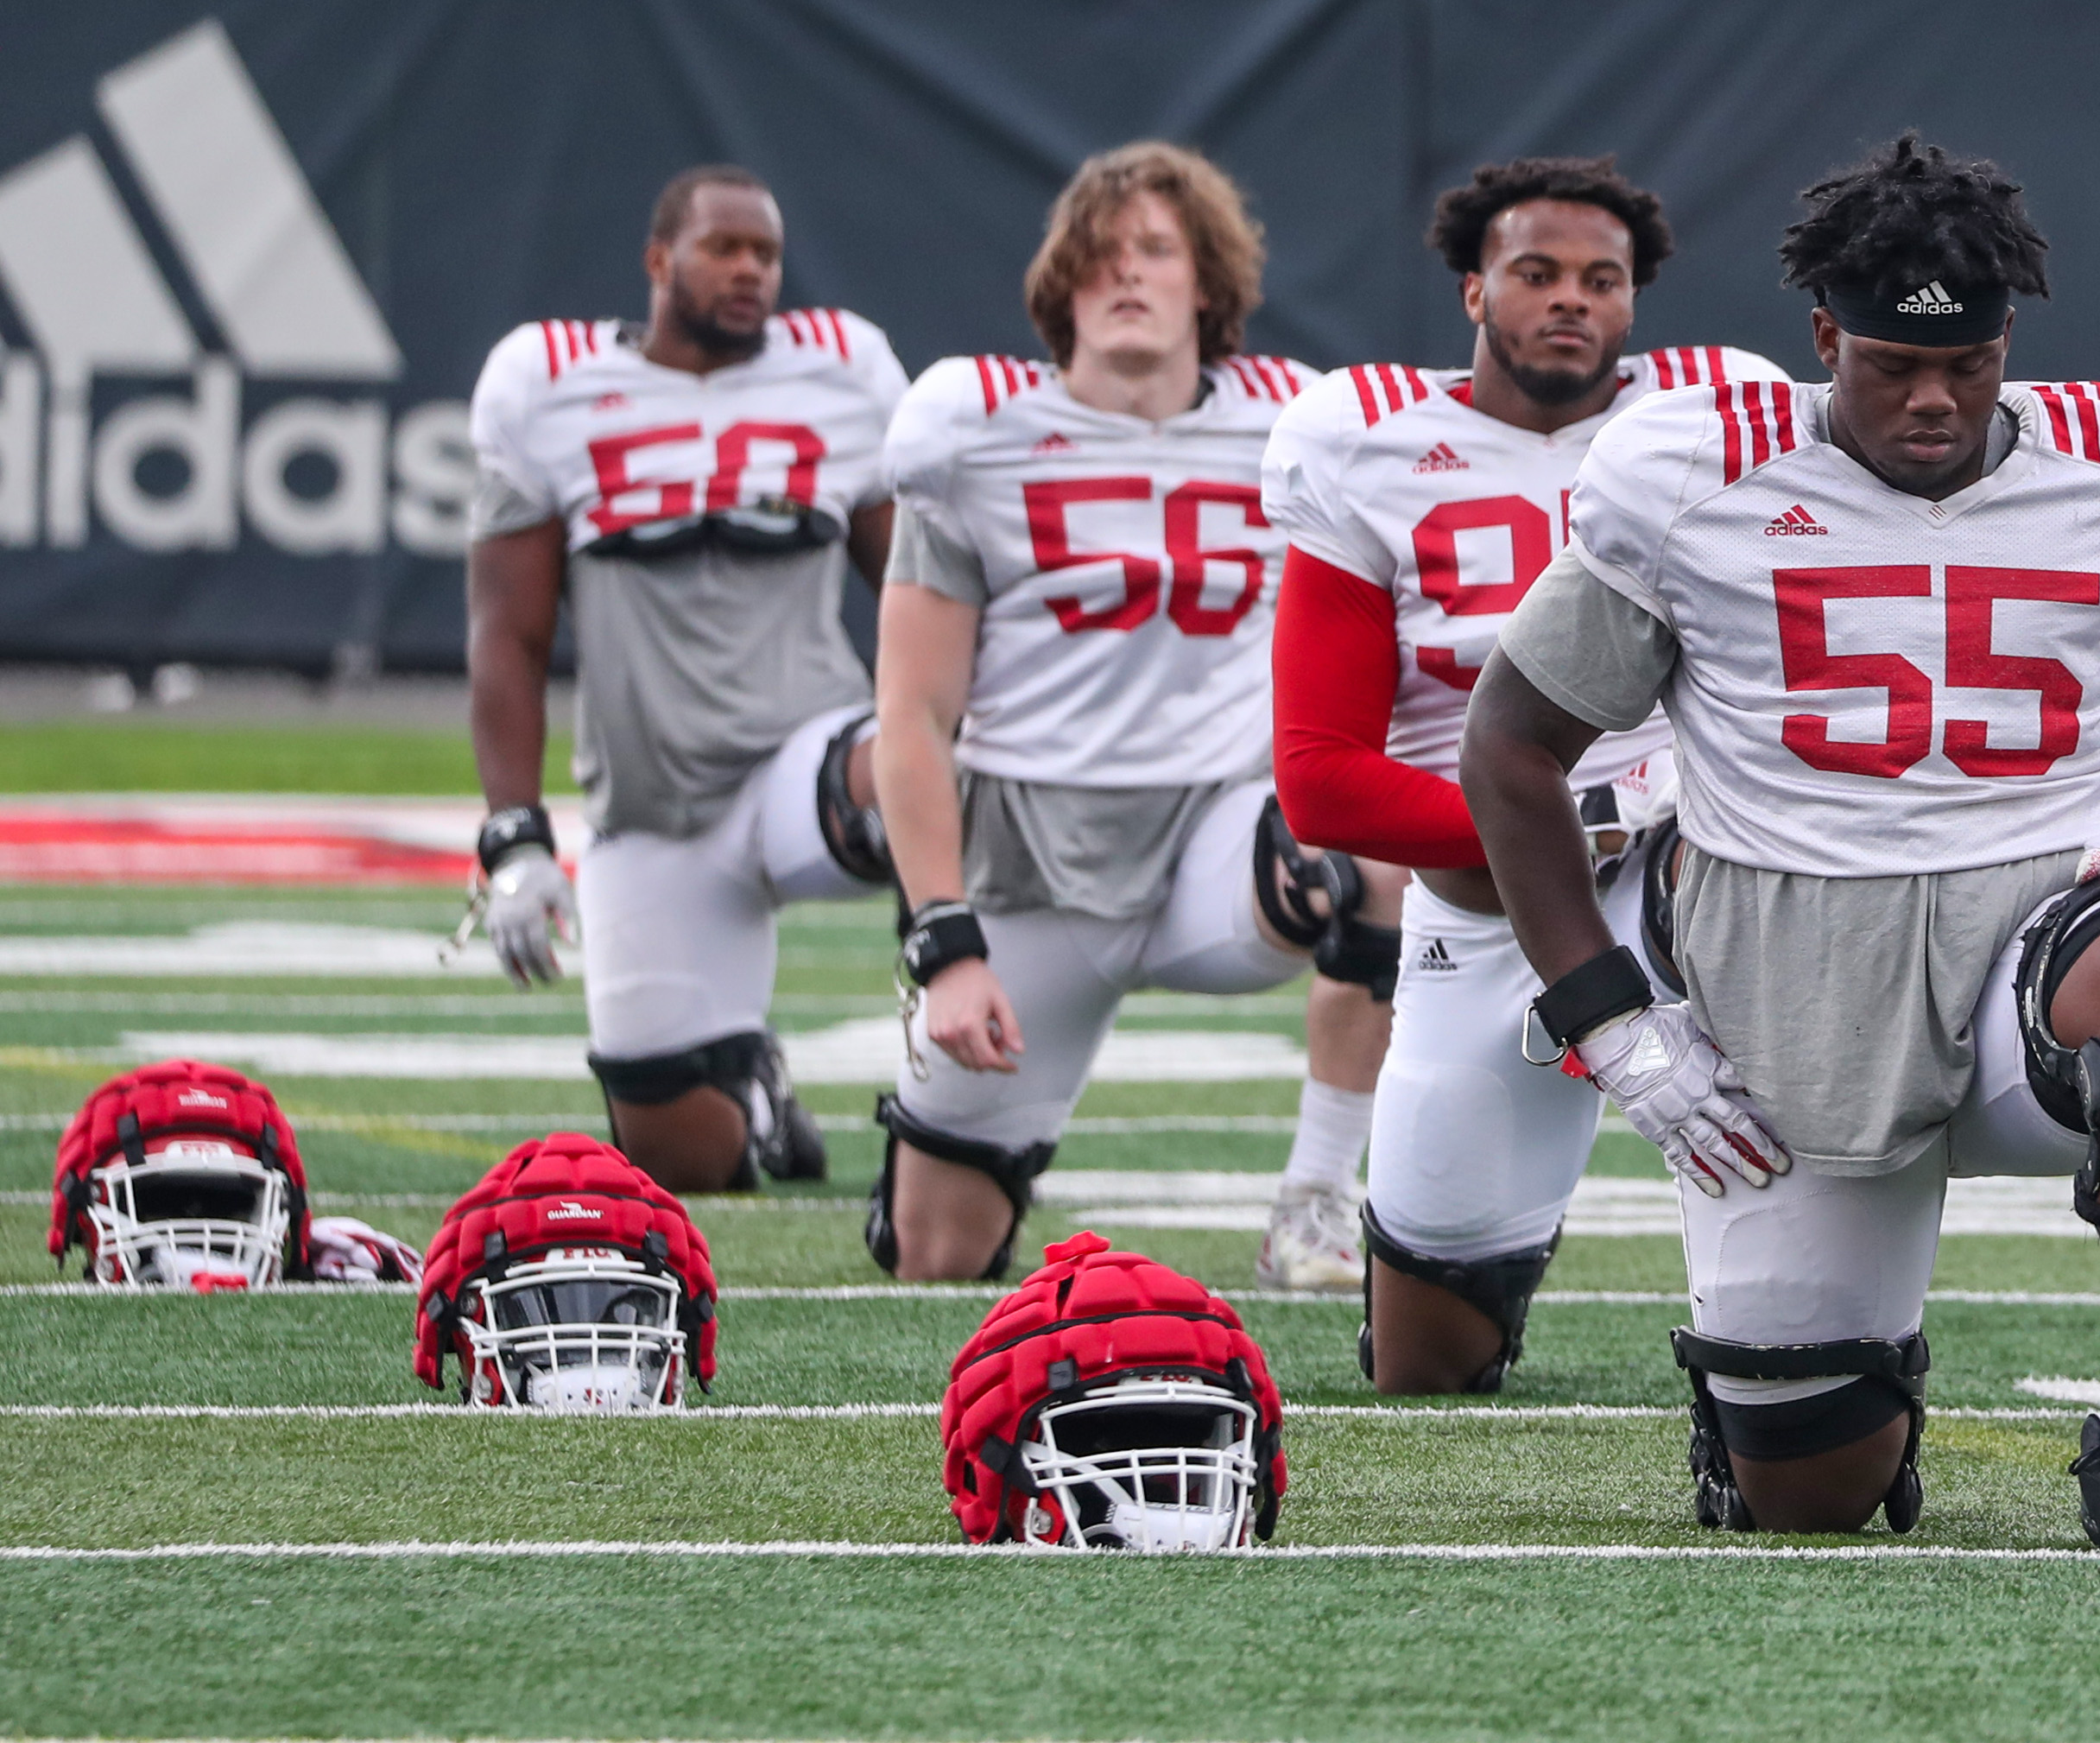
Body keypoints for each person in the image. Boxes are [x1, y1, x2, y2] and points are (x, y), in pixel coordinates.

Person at [1462, 134, 2100, 1551]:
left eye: (1966, 366)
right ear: (1821, 334)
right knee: (1807, 1493)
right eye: (1891, 366)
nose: (1931, 399)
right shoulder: (1688, 469)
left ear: (2008, 343)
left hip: (2046, 924)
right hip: (1784, 955)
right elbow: (1510, 748)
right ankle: (1806, 1401)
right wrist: (1606, 1019)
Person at [1259, 155, 1787, 1390]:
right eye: (1536, 273)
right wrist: (1570, 827)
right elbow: (1324, 781)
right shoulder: (1367, 442)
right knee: (1423, 1365)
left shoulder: (1711, 424)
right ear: (1473, 291)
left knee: (1802, 1371)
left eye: (1601, 280)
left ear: (1634, 304)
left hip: (1705, 867)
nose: (1570, 301)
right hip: (1489, 893)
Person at [870, 142, 1401, 1283]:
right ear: (1060, 285)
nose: (1127, 274)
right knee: (935, 1251)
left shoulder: (1288, 425)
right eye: (1100, 255)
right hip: (1030, 859)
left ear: (1205, 282)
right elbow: (910, 713)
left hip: (1220, 836)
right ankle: (959, 1151)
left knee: (1379, 837)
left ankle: (1316, 1196)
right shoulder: (970, 431)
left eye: (1155, 250)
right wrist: (942, 937)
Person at [464, 165, 907, 1193]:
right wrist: (514, 833)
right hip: (654, 800)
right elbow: (508, 634)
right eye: (725, 248)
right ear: (660, 260)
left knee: (933, 770)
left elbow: (921, 592)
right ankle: (752, 1089)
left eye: (767, 253)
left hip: (811, 764)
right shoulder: (546, 381)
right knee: (680, 1158)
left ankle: (950, 993)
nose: (751, 270)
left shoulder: (844, 369)